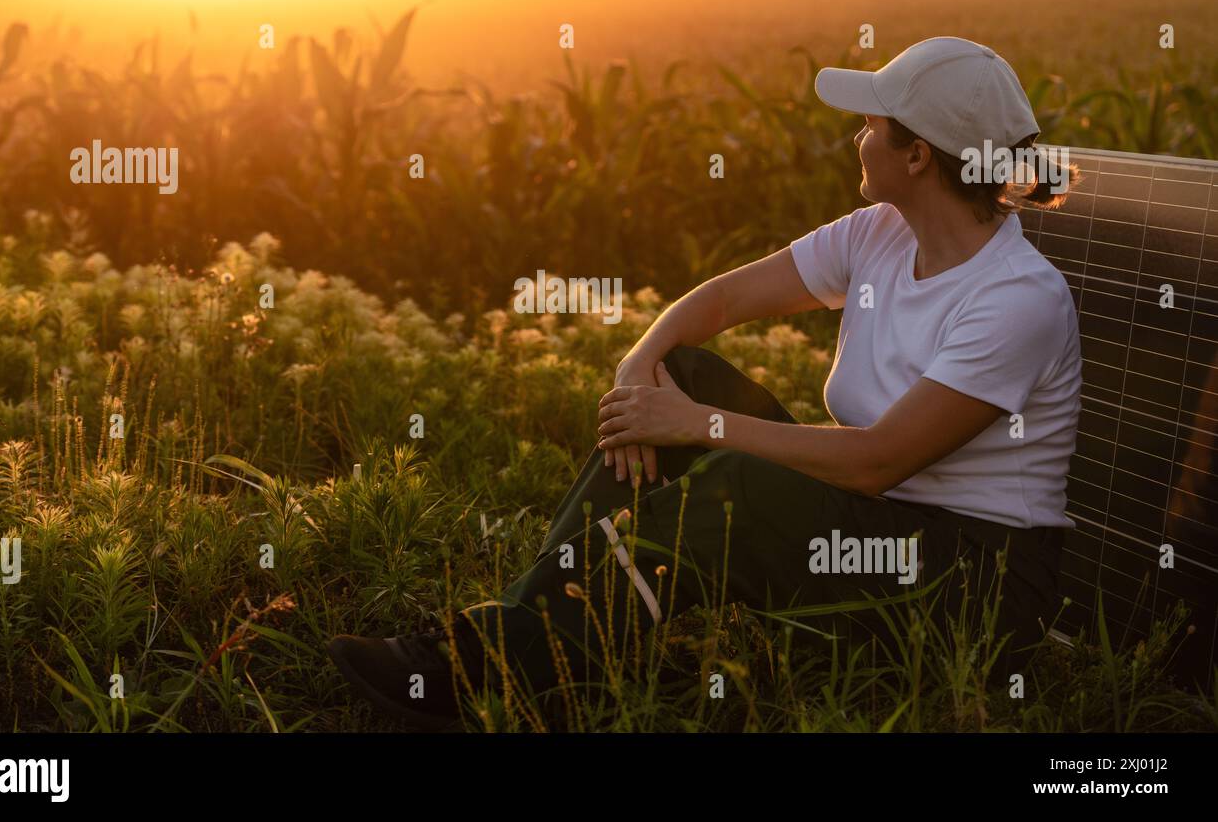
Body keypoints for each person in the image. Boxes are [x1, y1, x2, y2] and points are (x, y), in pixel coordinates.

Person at [327, 36, 1083, 731]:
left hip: (966, 584)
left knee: (734, 477)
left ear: (916, 156)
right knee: (684, 373)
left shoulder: (1016, 298)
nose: (856, 135)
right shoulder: (878, 233)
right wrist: (640, 368)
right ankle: (531, 647)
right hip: (872, 519)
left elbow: (878, 460)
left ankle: (494, 669)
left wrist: (697, 426)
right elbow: (718, 303)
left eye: (871, 123)